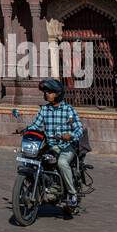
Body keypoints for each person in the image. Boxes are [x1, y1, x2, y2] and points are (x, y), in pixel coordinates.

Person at [27, 77, 84, 208]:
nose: (46, 94)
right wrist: (25, 130)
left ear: (58, 94)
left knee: (62, 162)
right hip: (51, 146)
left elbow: (79, 128)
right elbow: (36, 125)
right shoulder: (44, 110)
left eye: (50, 92)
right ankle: (47, 186)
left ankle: (72, 193)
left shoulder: (68, 110)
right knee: (35, 160)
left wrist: (70, 136)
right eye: (45, 92)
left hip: (67, 146)